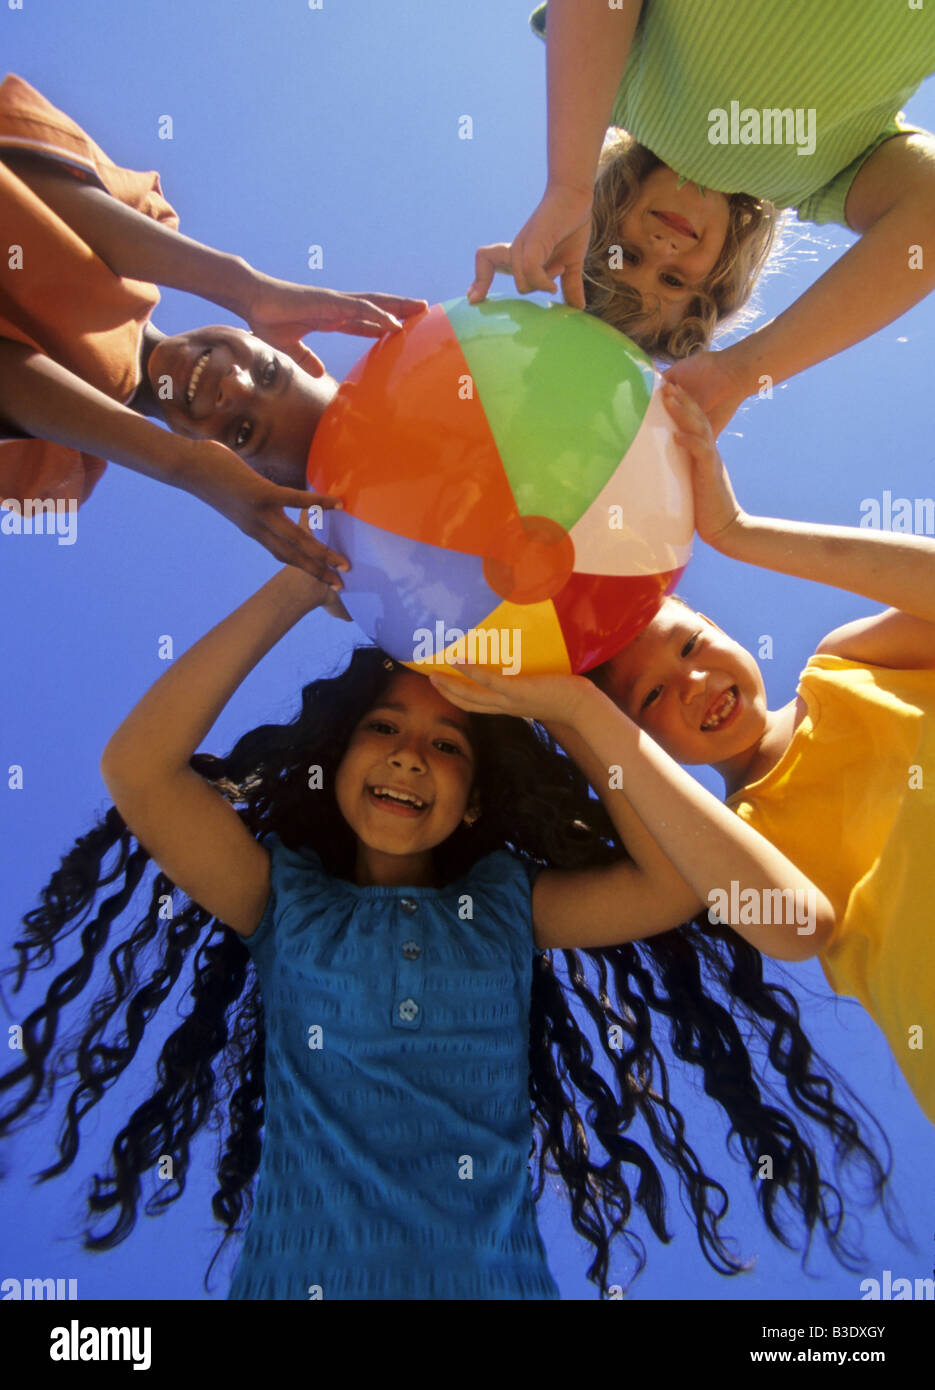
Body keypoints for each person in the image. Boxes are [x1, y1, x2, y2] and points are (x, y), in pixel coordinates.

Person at [0, 534, 895, 1298]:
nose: (409, 758)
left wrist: (566, 699)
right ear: (334, 757)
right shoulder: (281, 900)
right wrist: (299, 584)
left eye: (445, 744)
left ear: (475, 797)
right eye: (383, 730)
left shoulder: (506, 905)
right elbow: (142, 769)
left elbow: (670, 885)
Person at [511, 379, 930, 1125]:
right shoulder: (732, 840)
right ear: (637, 736)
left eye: (691, 644)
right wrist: (574, 705)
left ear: (713, 621)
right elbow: (797, 928)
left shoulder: (842, 668)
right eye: (647, 699)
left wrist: (735, 530)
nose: (694, 682)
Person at [0, 74, 425, 580]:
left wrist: (185, 465)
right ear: (263, 340)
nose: (233, 386)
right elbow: (20, 192)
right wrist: (248, 288)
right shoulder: (147, 218)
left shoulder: (50, 475)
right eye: (269, 373)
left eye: (243, 432)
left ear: (231, 479)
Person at [467, 1, 935, 435]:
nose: (663, 249)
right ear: (719, 280)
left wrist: (569, 185)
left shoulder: (618, 85)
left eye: (627, 254)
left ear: (596, 227)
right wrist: (744, 370)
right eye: (672, 280)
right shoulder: (823, 182)